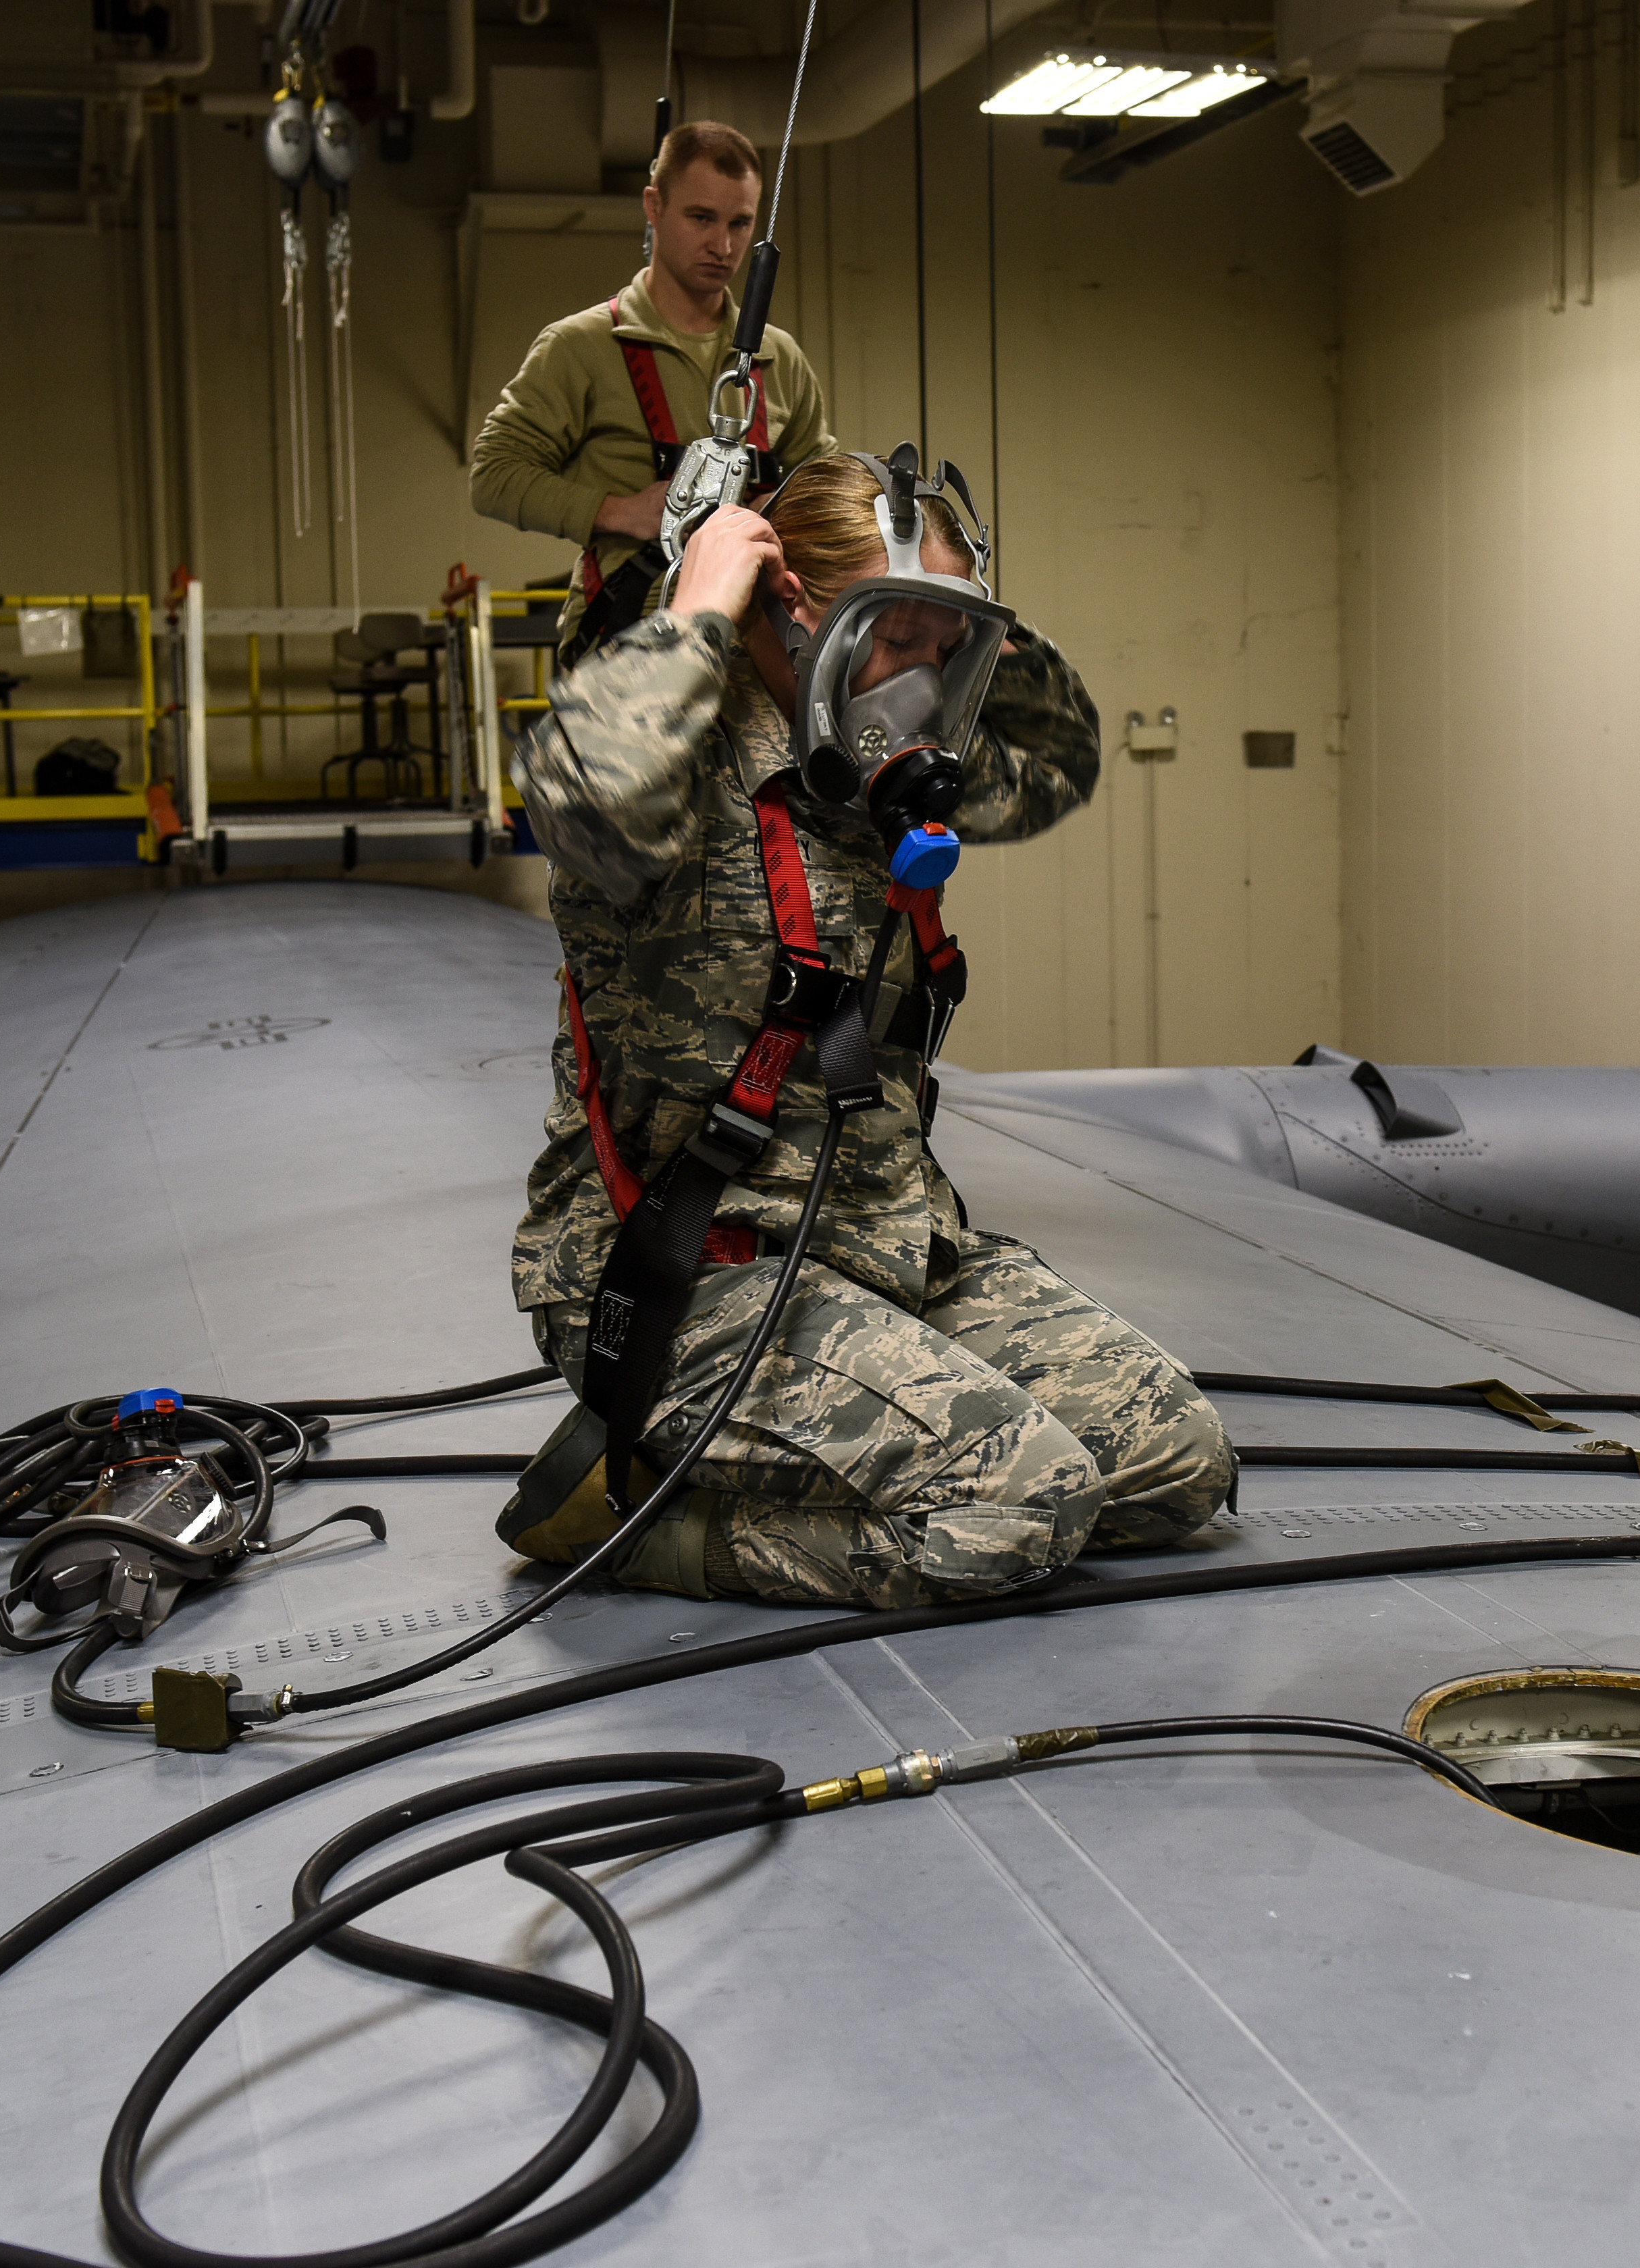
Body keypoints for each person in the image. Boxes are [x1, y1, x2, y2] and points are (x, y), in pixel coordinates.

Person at [497, 450, 1233, 1608]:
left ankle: (811, 1468)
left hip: (882, 1242)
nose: (924, 688)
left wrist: (954, 599)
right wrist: (695, 605)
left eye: (946, 657)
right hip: (696, 1271)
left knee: (1175, 1464)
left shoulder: (876, 770)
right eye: (897, 645)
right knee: (1023, 1504)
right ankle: (628, 1523)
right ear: (792, 610)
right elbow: (586, 805)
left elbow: (1056, 761)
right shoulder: (670, 759)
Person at [468, 120, 837, 660]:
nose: (724, 245)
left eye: (741, 223)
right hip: (627, 647)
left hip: (757, 651)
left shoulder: (778, 359)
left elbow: (825, 491)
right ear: (653, 206)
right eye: (701, 218)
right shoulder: (582, 348)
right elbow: (494, 475)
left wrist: (779, 510)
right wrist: (621, 511)